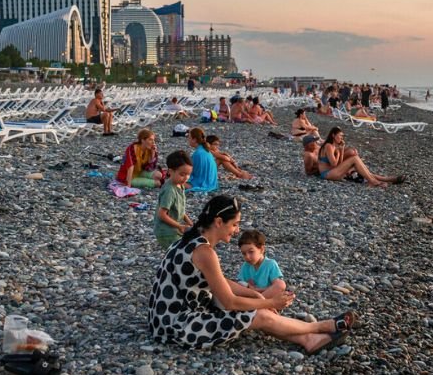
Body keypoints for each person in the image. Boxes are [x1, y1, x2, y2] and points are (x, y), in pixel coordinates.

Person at [148, 195, 355, 353]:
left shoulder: (189, 239)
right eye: (235, 224)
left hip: (164, 318)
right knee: (255, 313)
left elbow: (217, 280)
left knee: (253, 306)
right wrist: (270, 302)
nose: (237, 230)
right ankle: (320, 327)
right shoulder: (205, 252)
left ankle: (308, 340)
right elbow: (230, 302)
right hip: (178, 326)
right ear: (219, 222)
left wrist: (253, 295)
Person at [307, 129, 404, 187]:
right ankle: (373, 182)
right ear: (333, 135)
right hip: (327, 174)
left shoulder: (331, 146)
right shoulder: (328, 146)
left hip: (332, 172)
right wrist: (340, 151)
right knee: (354, 158)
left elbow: (338, 163)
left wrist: (341, 149)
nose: (342, 138)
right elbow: (334, 164)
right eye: (340, 136)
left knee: (358, 165)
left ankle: (388, 179)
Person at [155, 151, 194, 249]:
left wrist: (189, 222)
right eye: (182, 174)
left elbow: (179, 208)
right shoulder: (170, 190)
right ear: (170, 171)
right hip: (166, 232)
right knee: (179, 251)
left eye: (188, 174)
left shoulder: (180, 185)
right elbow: (162, 214)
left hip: (174, 229)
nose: (186, 177)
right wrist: (179, 226)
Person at [237, 229, 286, 299]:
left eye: (251, 252)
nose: (247, 257)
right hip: (251, 297)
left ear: (262, 249)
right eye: (244, 254)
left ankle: (259, 303)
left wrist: (257, 290)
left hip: (267, 298)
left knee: (281, 284)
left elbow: (278, 286)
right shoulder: (245, 266)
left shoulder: (270, 264)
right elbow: (240, 285)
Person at [186, 127, 220, 192]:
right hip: (212, 182)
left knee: (176, 181)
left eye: (189, 137)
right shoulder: (206, 150)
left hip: (203, 183)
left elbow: (192, 172)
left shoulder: (198, 153)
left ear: (194, 139)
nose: (188, 139)